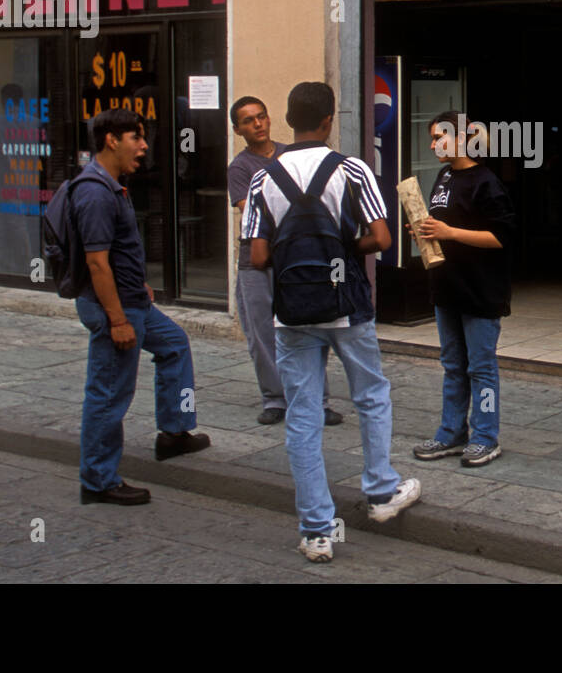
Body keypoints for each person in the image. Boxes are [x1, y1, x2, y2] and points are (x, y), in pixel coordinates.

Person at [244, 82, 420, 563]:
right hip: (348, 308)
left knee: (302, 416)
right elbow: (381, 238)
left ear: (287, 119)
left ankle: (317, 531)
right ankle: (382, 493)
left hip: (292, 313)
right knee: (370, 395)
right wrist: (344, 250)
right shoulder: (351, 168)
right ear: (328, 121)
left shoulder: (263, 178)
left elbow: (257, 256)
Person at [73, 109, 210, 506]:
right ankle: (98, 481)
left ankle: (174, 432)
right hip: (115, 308)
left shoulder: (112, 184)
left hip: (132, 299)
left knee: (174, 344)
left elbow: (114, 254)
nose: (144, 145)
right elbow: (97, 263)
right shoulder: (95, 192)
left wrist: (137, 281)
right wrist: (117, 320)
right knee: (109, 393)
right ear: (112, 140)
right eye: (136, 137)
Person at [227, 95, 342, 427]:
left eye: (261, 116)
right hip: (257, 262)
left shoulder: (289, 155)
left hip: (297, 257)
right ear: (238, 129)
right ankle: (275, 399)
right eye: (249, 121)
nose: (258, 124)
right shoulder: (240, 167)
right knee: (263, 333)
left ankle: (318, 401)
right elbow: (252, 211)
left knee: (308, 327)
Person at [411, 111, 516, 468]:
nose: (433, 144)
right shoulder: (442, 176)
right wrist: (426, 232)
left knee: (481, 367)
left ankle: (485, 436)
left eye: (439, 136)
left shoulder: (487, 182)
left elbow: (502, 237)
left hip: (481, 290)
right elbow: (442, 225)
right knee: (453, 365)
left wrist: (449, 233)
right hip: (446, 287)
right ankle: (451, 433)